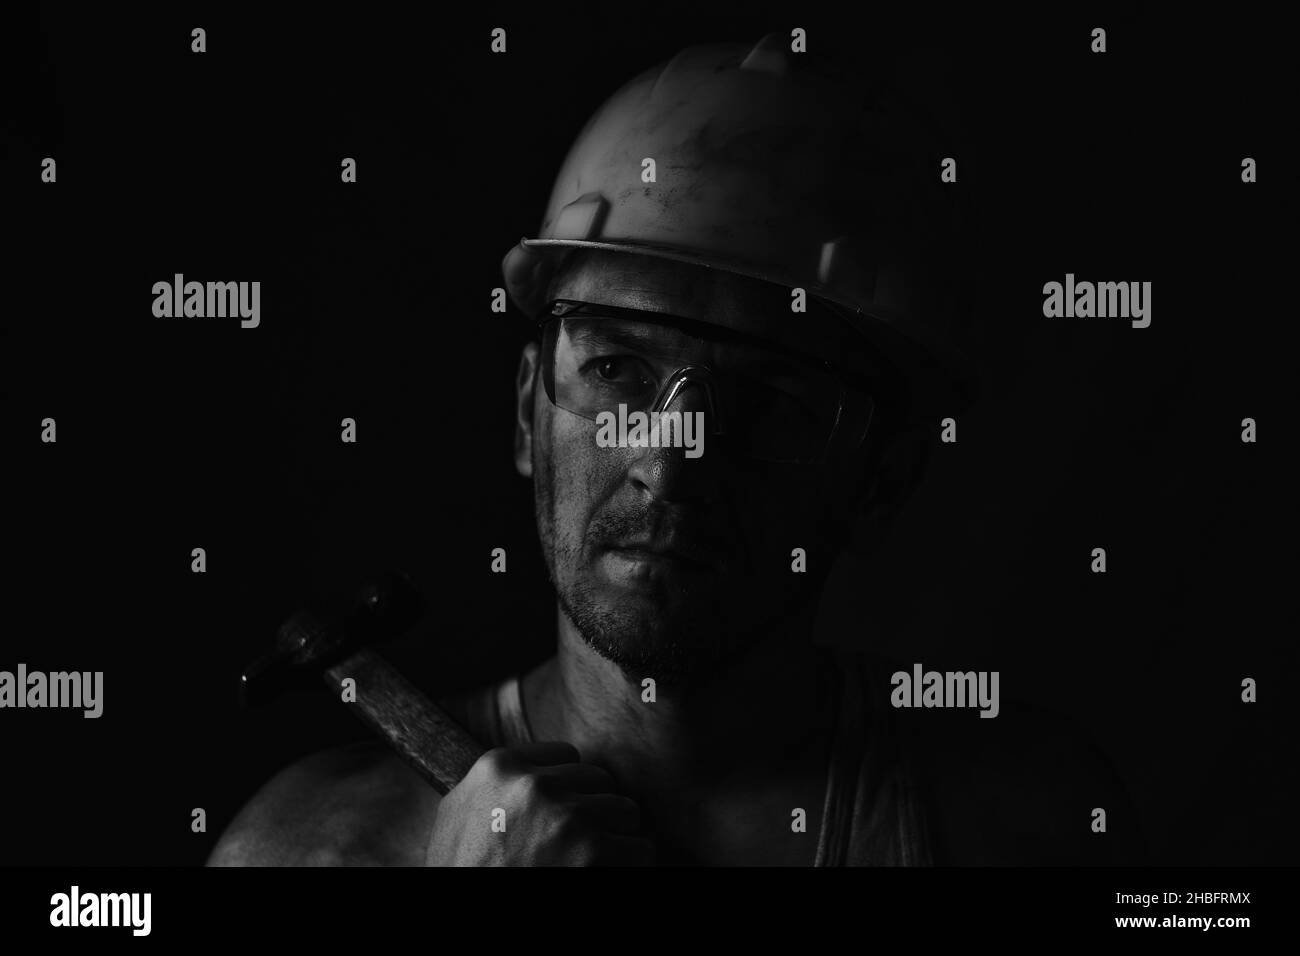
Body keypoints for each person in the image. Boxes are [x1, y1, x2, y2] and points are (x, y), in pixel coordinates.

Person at [208, 36, 1141, 867]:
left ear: (883, 475)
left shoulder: (1029, 827)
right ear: (529, 409)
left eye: (771, 403)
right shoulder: (305, 850)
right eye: (616, 367)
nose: (673, 462)